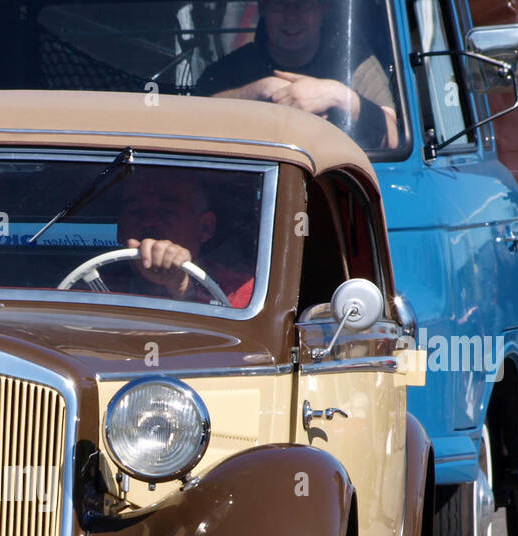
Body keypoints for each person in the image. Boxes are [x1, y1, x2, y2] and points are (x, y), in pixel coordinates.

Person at [196, 0, 399, 152]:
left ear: (323, 8)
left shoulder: (355, 64)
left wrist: (336, 95)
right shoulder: (228, 71)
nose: (292, 16)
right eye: (280, 5)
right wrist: (259, 92)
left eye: (304, 4)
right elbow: (194, 124)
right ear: (263, 9)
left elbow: (394, 139)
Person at [109, 172, 255, 307]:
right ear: (120, 228)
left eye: (166, 212)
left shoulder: (241, 292)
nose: (148, 222)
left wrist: (182, 288)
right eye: (136, 211)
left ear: (205, 228)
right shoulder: (92, 285)